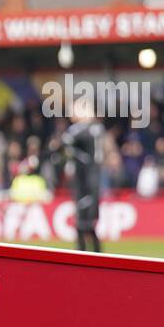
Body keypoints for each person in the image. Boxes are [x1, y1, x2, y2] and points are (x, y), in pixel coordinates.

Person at [61, 96, 106, 252]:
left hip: (87, 180)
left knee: (83, 221)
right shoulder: (95, 129)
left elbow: (67, 138)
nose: (71, 114)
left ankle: (86, 253)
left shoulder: (87, 129)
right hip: (88, 178)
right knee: (85, 222)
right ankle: (94, 253)